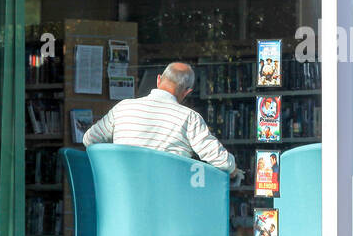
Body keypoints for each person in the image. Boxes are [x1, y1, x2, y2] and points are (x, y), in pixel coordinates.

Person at [83, 61, 240, 184]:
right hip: (168, 201)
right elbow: (221, 160)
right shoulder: (189, 117)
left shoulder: (123, 108)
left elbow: (89, 139)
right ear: (187, 92)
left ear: (158, 80)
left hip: (123, 197)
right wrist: (233, 170)